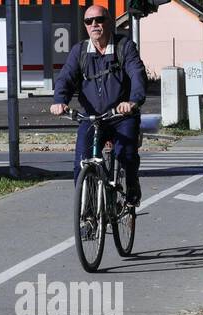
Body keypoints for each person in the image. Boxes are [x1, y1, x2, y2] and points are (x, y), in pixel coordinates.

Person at [49, 5, 147, 208]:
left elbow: (137, 74)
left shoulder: (124, 46)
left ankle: (131, 186)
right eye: (89, 21)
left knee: (126, 154)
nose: (94, 24)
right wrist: (60, 101)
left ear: (109, 22)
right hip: (92, 118)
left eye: (99, 20)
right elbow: (66, 77)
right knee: (81, 163)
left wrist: (133, 101)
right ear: (85, 26)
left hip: (121, 115)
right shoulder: (80, 51)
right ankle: (89, 213)